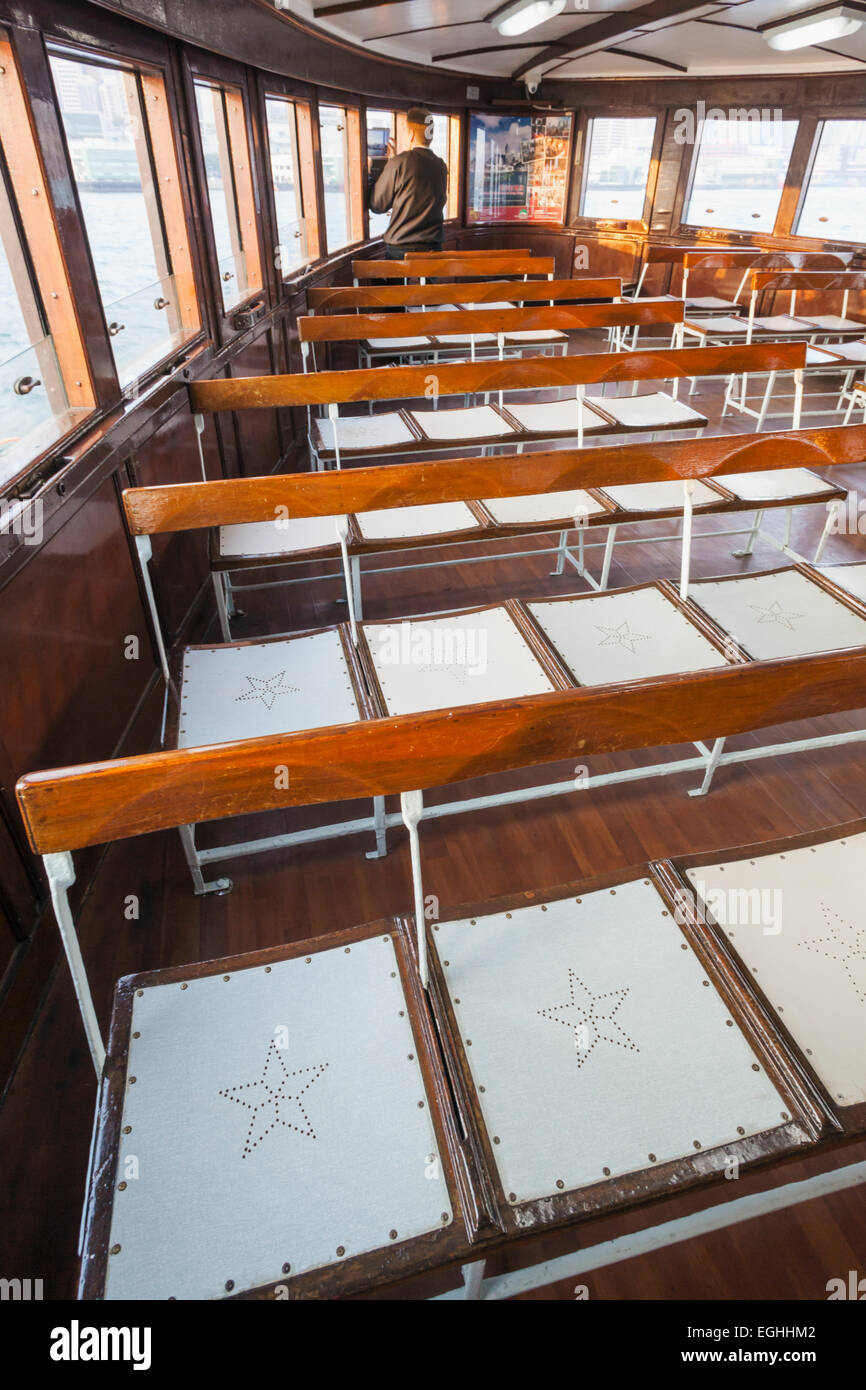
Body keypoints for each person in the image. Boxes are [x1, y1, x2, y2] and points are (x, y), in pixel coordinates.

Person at [368, 108, 447, 259]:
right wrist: (395, 161)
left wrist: (372, 173)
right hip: (433, 250)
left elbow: (377, 205)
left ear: (410, 134)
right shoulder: (441, 165)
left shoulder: (399, 163)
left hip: (401, 250)